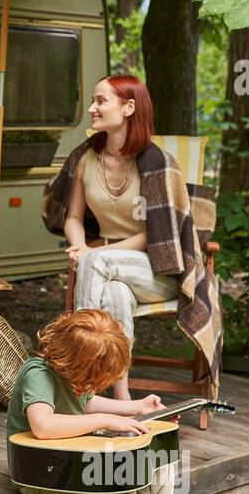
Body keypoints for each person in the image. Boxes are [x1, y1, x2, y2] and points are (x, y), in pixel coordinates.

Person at [41, 74, 223, 401]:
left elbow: (155, 235)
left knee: (97, 263)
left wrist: (94, 255)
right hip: (106, 268)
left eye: (101, 101)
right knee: (115, 296)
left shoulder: (159, 165)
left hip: (159, 273)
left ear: (128, 107)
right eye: (93, 101)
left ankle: (75, 376)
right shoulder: (85, 158)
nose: (92, 108)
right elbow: (72, 217)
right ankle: (120, 397)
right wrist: (80, 244)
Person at [7, 309, 180, 494]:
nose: (106, 380)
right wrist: (104, 421)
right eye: (98, 373)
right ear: (77, 362)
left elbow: (85, 403)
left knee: (160, 461)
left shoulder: (71, 373)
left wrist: (137, 407)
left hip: (72, 464)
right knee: (115, 486)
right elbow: (43, 425)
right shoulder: (37, 373)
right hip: (43, 474)